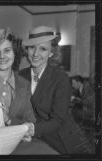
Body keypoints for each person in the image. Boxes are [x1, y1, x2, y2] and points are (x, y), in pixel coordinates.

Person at [19, 26, 94, 154]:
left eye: (43, 49)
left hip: (64, 140)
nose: (36, 54)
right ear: (27, 50)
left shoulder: (61, 78)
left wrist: (30, 129)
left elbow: (57, 121)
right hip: (37, 140)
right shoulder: (20, 75)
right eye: (32, 47)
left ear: (51, 53)